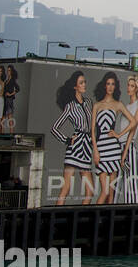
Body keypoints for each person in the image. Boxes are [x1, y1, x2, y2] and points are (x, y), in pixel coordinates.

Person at [52, 70, 94, 205]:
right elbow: (55, 128)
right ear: (75, 86)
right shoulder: (70, 106)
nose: (84, 85)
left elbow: (93, 124)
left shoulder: (88, 102)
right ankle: (56, 215)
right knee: (66, 187)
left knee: (90, 190)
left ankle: (80, 216)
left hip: (87, 146)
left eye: (84, 82)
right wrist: (67, 140)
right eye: (81, 83)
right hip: (76, 145)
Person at [110, 75, 138, 204]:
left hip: (128, 147)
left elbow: (133, 127)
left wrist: (124, 150)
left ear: (137, 88)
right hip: (119, 147)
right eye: (128, 85)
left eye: (132, 86)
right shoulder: (126, 105)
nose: (129, 88)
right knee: (116, 180)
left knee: (131, 179)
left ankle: (134, 207)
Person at [91, 72, 126, 204]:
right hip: (101, 148)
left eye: (113, 84)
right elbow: (93, 131)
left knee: (111, 193)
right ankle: (95, 218)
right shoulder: (97, 105)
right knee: (104, 191)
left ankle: (107, 221)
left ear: (115, 86)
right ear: (104, 86)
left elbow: (133, 121)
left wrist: (118, 135)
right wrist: (95, 150)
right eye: (108, 84)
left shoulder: (118, 104)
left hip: (113, 149)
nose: (110, 87)